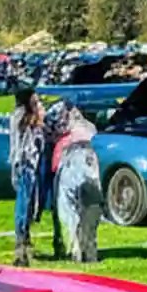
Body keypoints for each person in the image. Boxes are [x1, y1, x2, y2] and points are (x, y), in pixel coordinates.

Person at [50, 107, 103, 262]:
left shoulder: (64, 139)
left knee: (72, 214)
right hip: (90, 171)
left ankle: (76, 251)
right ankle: (89, 252)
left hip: (71, 172)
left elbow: (55, 167)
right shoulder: (92, 132)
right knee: (90, 215)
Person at [8, 89, 45, 267]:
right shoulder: (22, 116)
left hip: (27, 164)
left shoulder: (20, 115)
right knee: (24, 202)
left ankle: (24, 236)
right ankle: (21, 238)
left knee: (28, 202)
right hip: (25, 164)